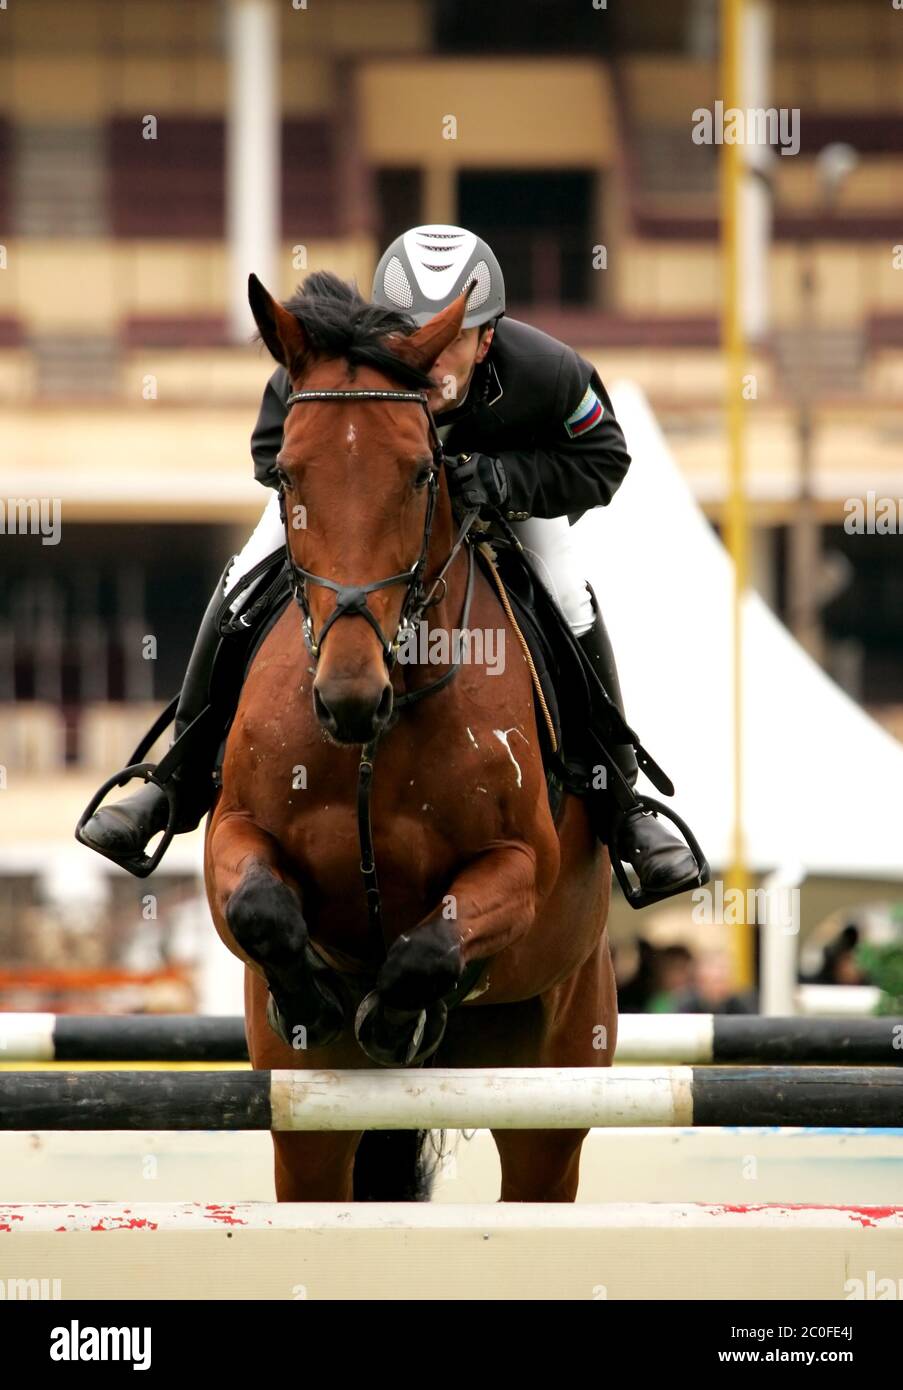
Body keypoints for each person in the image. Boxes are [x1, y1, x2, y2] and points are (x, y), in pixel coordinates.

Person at [79, 224, 703, 901]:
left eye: (448, 338)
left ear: (485, 336)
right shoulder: (325, 372)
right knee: (238, 583)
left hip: (506, 510)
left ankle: (623, 809)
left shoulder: (547, 374)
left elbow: (604, 459)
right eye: (406, 335)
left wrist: (499, 483)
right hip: (360, 515)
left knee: (568, 594)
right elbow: (271, 456)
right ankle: (173, 781)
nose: (425, 358)